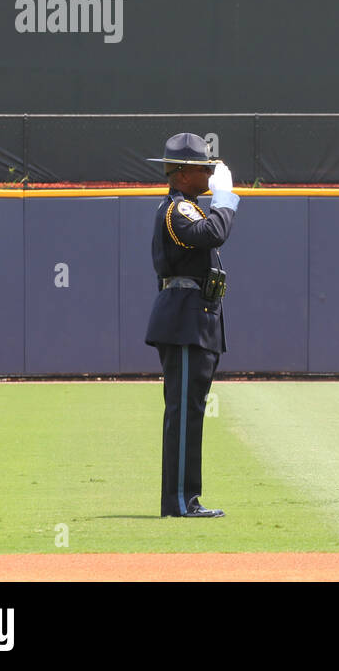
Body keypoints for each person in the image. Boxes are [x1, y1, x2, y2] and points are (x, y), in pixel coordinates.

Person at [145, 133, 240, 518]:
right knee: (184, 413)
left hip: (196, 320)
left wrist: (218, 202)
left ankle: (188, 498)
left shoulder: (190, 207)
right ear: (183, 174)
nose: (209, 174)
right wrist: (225, 201)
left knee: (191, 411)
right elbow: (213, 234)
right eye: (203, 168)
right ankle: (180, 502)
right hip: (185, 321)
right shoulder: (177, 209)